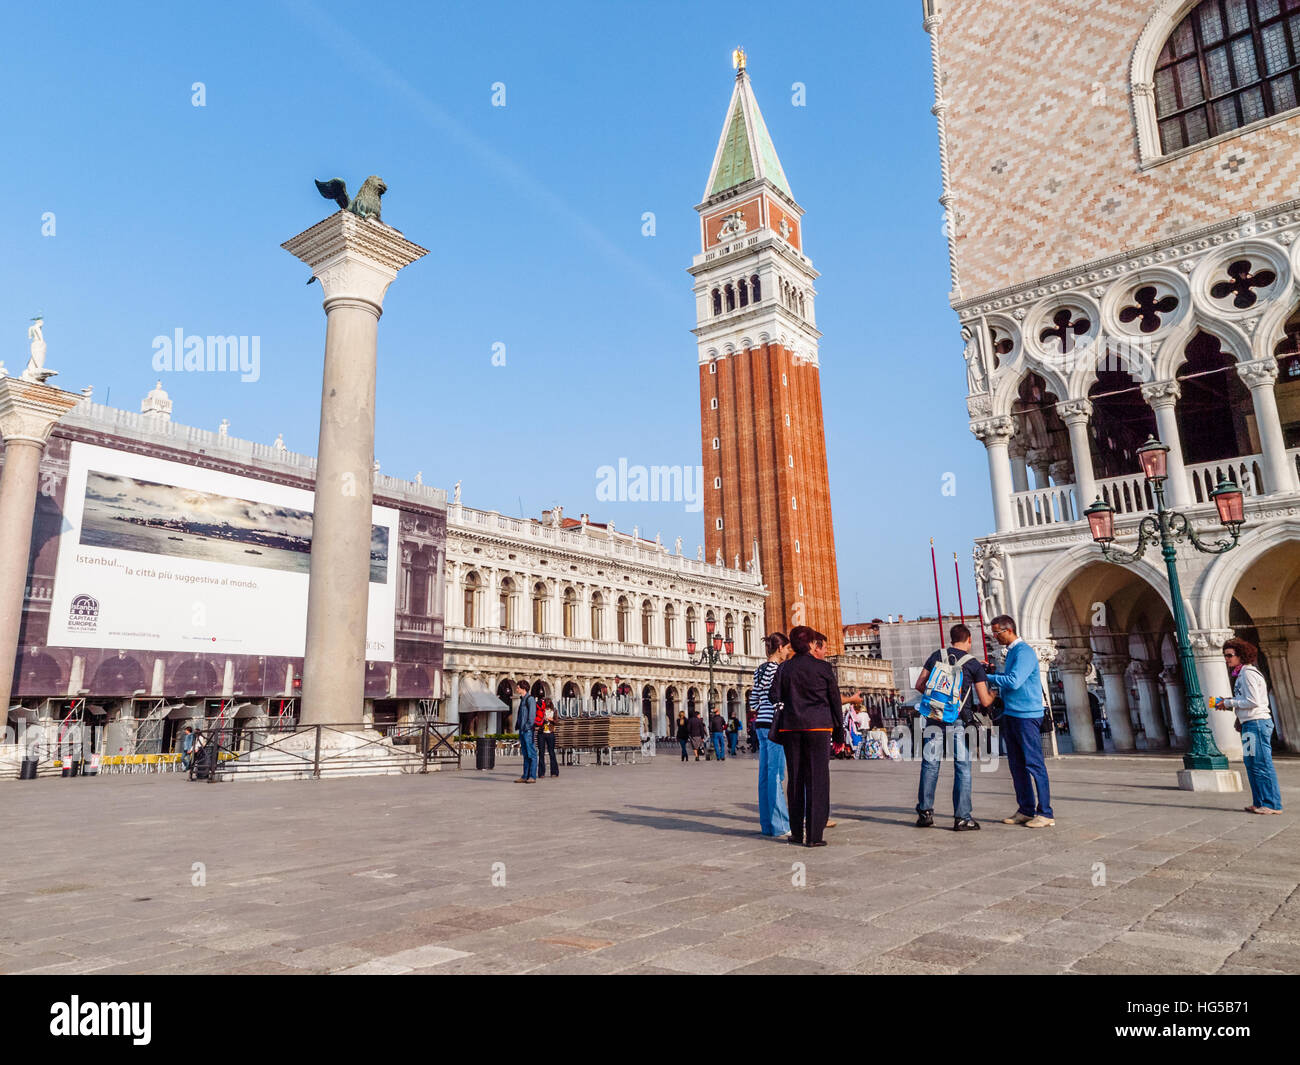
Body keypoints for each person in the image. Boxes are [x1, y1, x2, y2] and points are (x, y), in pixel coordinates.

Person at [913, 624, 994, 831]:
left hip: (934, 717)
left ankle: (925, 813)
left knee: (930, 765)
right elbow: (984, 701)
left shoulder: (936, 656)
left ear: (951, 639)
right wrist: (994, 692)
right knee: (963, 767)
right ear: (969, 640)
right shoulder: (973, 663)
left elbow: (920, 684)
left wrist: (938, 699)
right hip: (959, 720)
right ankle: (962, 817)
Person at [774, 626, 844, 847]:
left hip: (791, 728)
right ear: (811, 644)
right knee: (818, 779)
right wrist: (840, 733)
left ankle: (796, 833)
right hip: (818, 728)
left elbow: (773, 695)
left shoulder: (784, 668)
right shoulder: (823, 667)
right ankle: (814, 836)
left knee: (795, 779)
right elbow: (835, 701)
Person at [985, 615, 1053, 827]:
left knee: (1034, 763)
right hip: (1012, 714)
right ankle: (1025, 809)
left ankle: (1046, 813)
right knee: (1017, 765)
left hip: (1026, 716)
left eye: (996, 633)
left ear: (1008, 630)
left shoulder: (1023, 652)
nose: (994, 637)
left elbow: (1014, 681)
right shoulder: (1013, 652)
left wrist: (986, 677)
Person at [1212, 639, 1282, 814]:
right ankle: (1259, 802)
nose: (1227, 659)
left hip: (1257, 723)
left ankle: (1272, 804)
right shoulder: (1240, 674)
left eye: (1229, 655)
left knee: (1261, 763)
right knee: (1251, 763)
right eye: (1225, 656)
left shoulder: (1248, 673)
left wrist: (1228, 702)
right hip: (1249, 724)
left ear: (1240, 656)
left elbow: (1253, 701)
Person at [751, 632, 792, 837]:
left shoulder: (758, 669)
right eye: (786, 648)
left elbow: (753, 701)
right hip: (774, 725)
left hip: (760, 723)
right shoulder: (777, 669)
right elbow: (775, 696)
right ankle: (781, 825)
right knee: (776, 774)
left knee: (765, 776)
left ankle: (767, 825)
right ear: (779, 648)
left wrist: (763, 707)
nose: (788, 652)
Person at [513, 683, 538, 783]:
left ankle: (532, 776)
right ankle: (525, 776)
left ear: (523, 688)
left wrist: (527, 727)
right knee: (525, 754)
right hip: (522, 730)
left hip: (527, 731)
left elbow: (532, 716)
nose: (517, 689)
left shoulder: (530, 699)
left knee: (531, 754)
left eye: (518, 687)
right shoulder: (522, 699)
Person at [537, 696, 559, 777]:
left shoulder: (554, 711)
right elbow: (537, 720)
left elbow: (557, 721)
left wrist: (551, 719)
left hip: (550, 732)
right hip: (542, 733)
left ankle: (554, 772)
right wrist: (543, 719)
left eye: (548, 704)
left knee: (551, 752)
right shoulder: (541, 711)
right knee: (541, 753)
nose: (547, 705)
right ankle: (541, 773)